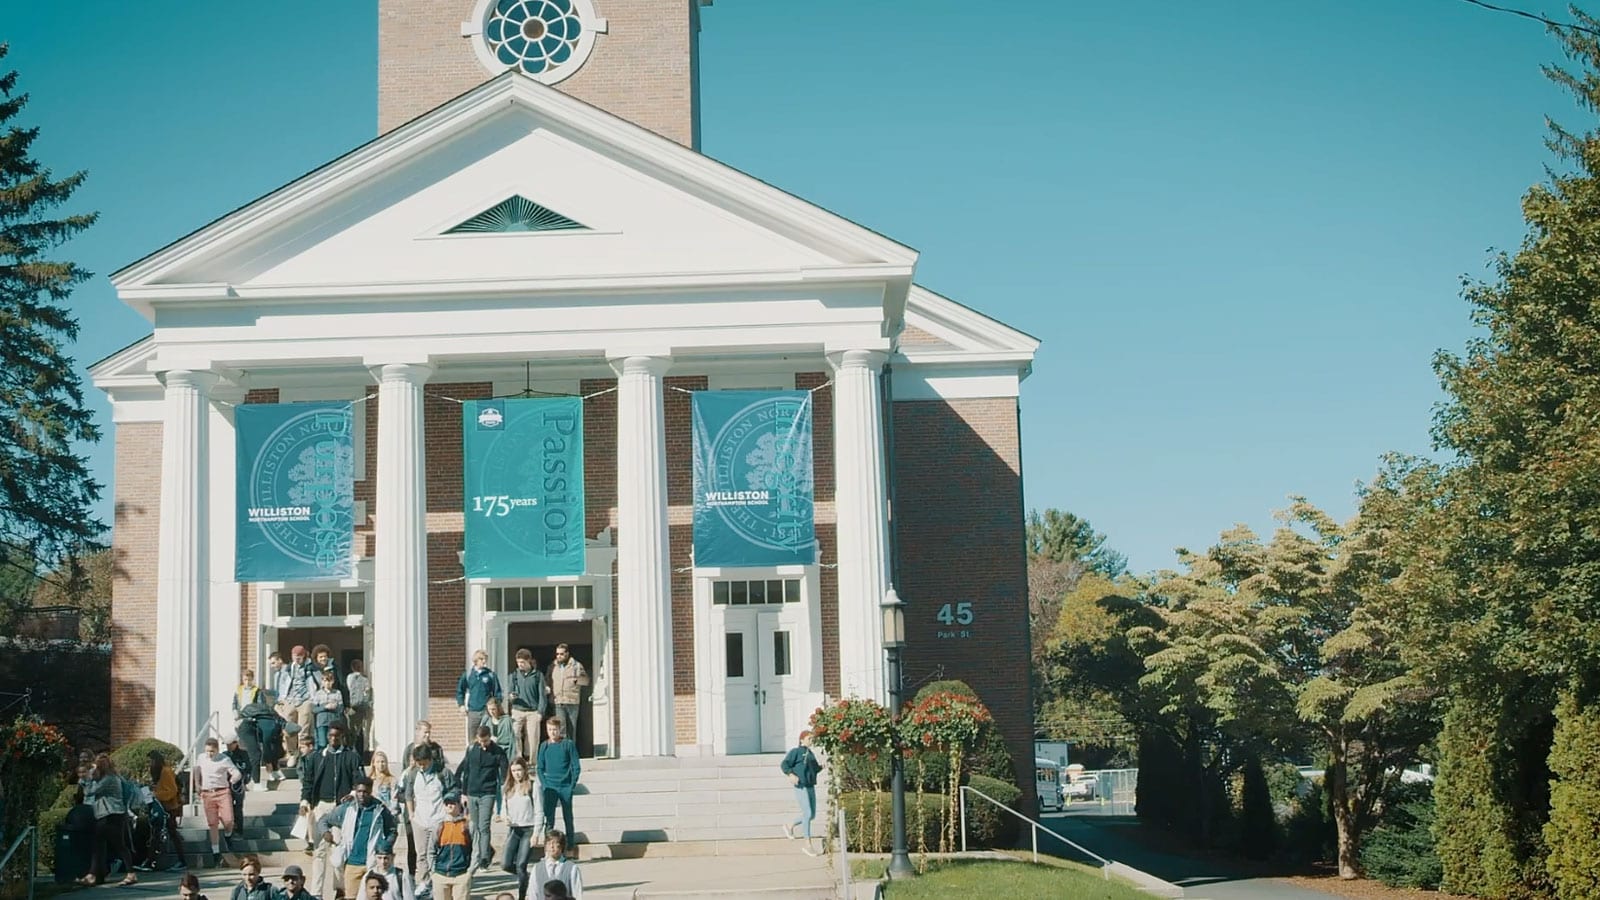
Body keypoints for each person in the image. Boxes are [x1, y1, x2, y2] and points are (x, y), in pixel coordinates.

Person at [303, 724, 362, 891]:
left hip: (341, 808)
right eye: (331, 736)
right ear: (327, 737)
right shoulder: (317, 757)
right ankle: (316, 891)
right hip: (321, 805)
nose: (333, 739)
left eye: (337, 736)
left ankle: (340, 889)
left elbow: (358, 779)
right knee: (319, 851)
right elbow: (308, 781)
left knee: (338, 850)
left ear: (342, 736)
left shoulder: (350, 757)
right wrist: (305, 801)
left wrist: (352, 792)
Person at [318, 776, 398, 900]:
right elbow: (324, 820)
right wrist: (325, 833)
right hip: (352, 862)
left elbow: (392, 830)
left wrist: (385, 847)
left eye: (365, 792)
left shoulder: (380, 809)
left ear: (370, 791)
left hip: (372, 863)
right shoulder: (347, 807)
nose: (361, 795)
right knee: (351, 897)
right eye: (359, 791)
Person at [402, 744, 455, 897]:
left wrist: (448, 811)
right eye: (419, 764)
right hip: (419, 820)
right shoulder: (413, 774)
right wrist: (411, 813)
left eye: (424, 764)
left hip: (438, 819)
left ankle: (436, 882)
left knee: (434, 853)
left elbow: (453, 790)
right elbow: (408, 794)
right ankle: (425, 882)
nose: (422, 767)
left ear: (430, 759)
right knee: (421, 854)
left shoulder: (442, 773)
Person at [78, 754, 135, 886]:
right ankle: (94, 874)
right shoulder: (112, 777)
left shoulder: (109, 779)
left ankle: (130, 873)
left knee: (118, 846)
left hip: (111, 815)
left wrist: (85, 780)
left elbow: (90, 792)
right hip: (110, 815)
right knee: (99, 844)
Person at [456, 726, 508, 869]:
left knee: (484, 826)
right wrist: (464, 792)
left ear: (490, 737)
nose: (483, 744)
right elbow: (466, 771)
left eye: (485, 741)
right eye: (480, 741)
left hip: (488, 792)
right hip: (472, 792)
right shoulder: (472, 749)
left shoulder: (497, 752)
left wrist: (504, 786)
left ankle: (484, 858)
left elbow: (504, 771)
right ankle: (481, 852)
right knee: (475, 826)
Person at [195, 736, 242, 867]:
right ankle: (215, 852)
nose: (209, 754)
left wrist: (232, 781)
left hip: (222, 791)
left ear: (217, 750)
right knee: (213, 823)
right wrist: (197, 784)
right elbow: (197, 769)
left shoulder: (224, 759)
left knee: (228, 820)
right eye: (207, 751)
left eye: (212, 751)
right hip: (207, 793)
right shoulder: (201, 757)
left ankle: (228, 834)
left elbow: (236, 773)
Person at [534, 719, 579, 847]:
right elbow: (539, 768)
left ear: (560, 730)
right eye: (549, 730)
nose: (552, 732)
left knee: (568, 817)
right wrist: (544, 784)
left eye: (555, 729)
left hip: (565, 786)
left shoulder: (568, 744)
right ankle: (548, 846)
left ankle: (570, 844)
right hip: (550, 786)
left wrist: (572, 784)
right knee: (549, 818)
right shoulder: (544, 746)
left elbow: (576, 766)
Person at [501, 758, 540, 899]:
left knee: (521, 864)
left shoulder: (532, 786)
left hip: (528, 829)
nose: (516, 773)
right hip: (514, 829)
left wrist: (536, 833)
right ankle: (526, 877)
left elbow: (539, 811)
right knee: (505, 864)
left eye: (519, 770)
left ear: (524, 770)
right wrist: (505, 817)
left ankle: (522, 896)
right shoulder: (507, 788)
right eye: (513, 771)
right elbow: (503, 809)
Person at [780, 730, 823, 856]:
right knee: (807, 813)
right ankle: (808, 844)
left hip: (810, 786)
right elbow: (785, 764)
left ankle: (789, 825)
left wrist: (822, 767)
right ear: (802, 740)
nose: (811, 741)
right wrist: (791, 774)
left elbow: (814, 768)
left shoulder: (810, 754)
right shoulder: (796, 752)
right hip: (801, 786)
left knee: (812, 815)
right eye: (809, 738)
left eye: (812, 739)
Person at [505, 649, 551, 761]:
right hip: (517, 709)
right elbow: (509, 692)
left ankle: (532, 761)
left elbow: (542, 695)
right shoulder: (514, 675)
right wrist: (511, 697)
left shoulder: (538, 675)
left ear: (529, 661)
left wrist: (540, 711)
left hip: (533, 711)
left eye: (523, 662)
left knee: (533, 737)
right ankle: (518, 759)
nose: (520, 665)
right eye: (518, 662)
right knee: (515, 734)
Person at [147, 749, 187, 870]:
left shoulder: (166, 771)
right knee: (157, 833)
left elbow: (172, 790)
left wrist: (156, 794)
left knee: (171, 833)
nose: (150, 764)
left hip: (169, 808)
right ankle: (151, 860)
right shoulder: (160, 772)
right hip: (164, 807)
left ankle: (181, 860)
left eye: (151, 761)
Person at [428, 794, 472, 900]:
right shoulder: (439, 826)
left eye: (452, 803)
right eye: (447, 804)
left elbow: (476, 849)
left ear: (459, 805)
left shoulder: (467, 825)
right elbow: (431, 850)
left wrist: (470, 871)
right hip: (440, 874)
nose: (450, 806)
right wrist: (433, 870)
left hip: (461, 874)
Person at [238, 696, 288, 787]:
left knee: (274, 744)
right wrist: (268, 762)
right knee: (256, 754)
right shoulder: (272, 725)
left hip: (257, 725)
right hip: (246, 727)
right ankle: (256, 783)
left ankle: (275, 771)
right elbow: (266, 743)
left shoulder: (277, 721)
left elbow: (274, 746)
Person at [547, 646, 587, 751]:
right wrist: (548, 690)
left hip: (572, 701)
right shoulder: (552, 666)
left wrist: (577, 680)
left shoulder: (576, 666)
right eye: (557, 654)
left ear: (567, 654)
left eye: (561, 654)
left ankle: (571, 752)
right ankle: (561, 752)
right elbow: (547, 681)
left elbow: (586, 681)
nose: (559, 656)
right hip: (558, 701)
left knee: (572, 729)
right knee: (561, 728)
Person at [455, 650, 501, 739]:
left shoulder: (490, 675)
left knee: (487, 735)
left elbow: (497, 692)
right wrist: (461, 705)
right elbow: (460, 691)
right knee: (472, 737)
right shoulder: (468, 675)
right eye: (481, 659)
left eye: (485, 659)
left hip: (486, 711)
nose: (484, 661)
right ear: (475, 660)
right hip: (473, 711)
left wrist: (496, 707)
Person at [526, 831, 580, 900]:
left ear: (562, 846)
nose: (551, 846)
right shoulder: (537, 868)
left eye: (555, 843)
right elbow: (532, 894)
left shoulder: (572, 868)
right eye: (548, 843)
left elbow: (577, 894)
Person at [311, 668, 347, 751]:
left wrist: (335, 707)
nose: (327, 683)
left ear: (333, 681)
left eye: (329, 681)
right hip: (322, 722)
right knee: (322, 743)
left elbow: (341, 708)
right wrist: (324, 707)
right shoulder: (318, 693)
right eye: (325, 681)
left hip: (333, 721)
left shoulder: (337, 693)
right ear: (322, 682)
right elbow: (314, 709)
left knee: (333, 742)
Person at [347, 659, 372, 756]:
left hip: (353, 706)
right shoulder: (365, 679)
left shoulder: (350, 677)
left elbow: (349, 688)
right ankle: (361, 751)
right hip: (362, 707)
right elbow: (367, 691)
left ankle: (353, 749)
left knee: (352, 729)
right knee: (361, 729)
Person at [368, 751, 400, 819]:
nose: (381, 764)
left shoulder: (392, 780)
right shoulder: (369, 780)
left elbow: (394, 799)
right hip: (372, 814)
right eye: (378, 762)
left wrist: (392, 814)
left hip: (387, 814)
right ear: (373, 763)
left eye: (383, 761)